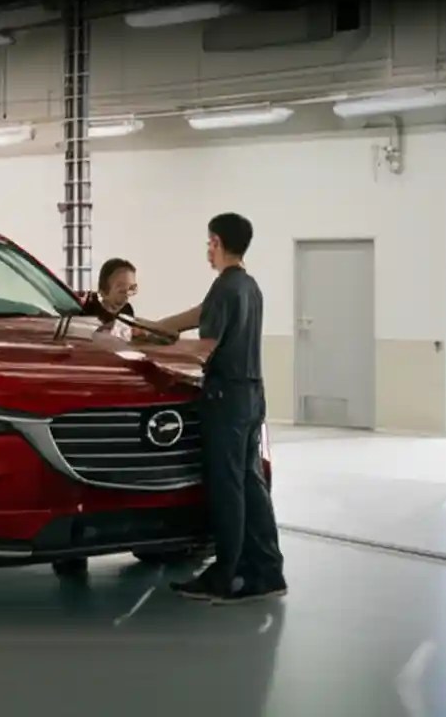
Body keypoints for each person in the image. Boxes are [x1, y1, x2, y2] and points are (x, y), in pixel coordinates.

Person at [157, 213, 286, 604]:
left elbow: (204, 347)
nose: (207, 251)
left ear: (215, 242)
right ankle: (267, 570)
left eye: (208, 243)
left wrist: (148, 351)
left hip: (225, 400)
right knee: (251, 483)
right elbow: (196, 316)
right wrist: (156, 326)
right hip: (252, 397)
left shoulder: (223, 287)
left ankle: (224, 574)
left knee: (226, 487)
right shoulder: (248, 286)